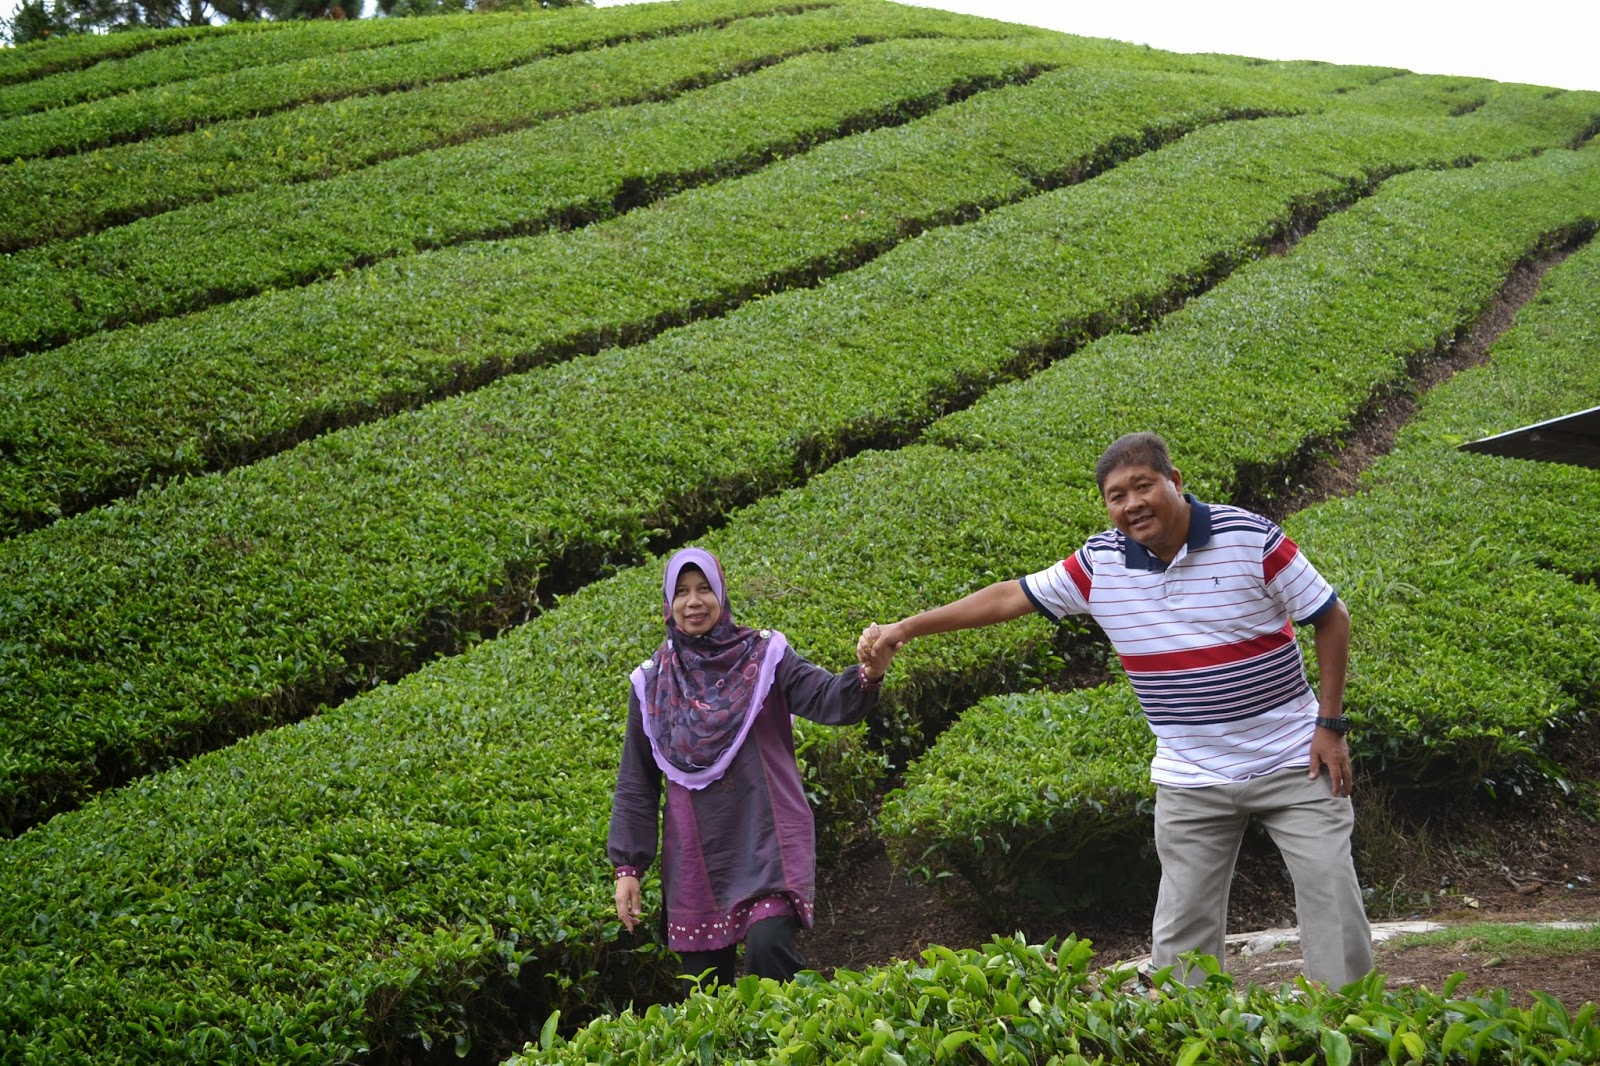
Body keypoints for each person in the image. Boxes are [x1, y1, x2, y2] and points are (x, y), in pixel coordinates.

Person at [859, 432, 1373, 988]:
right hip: (1190, 773)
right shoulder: (1099, 563)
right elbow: (1011, 596)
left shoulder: (1249, 537)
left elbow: (1331, 616)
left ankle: (1348, 1020)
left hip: (1293, 758)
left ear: (1175, 483)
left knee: (1330, 895)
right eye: (1115, 495)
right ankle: (1193, 1032)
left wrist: (1330, 724)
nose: (1131, 504)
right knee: (1182, 930)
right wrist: (906, 629)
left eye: (1143, 486)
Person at [608, 546, 894, 990]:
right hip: (695, 859)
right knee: (703, 993)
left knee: (769, 950)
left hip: (766, 840)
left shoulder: (763, 657)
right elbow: (636, 783)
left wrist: (868, 675)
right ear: (668, 603)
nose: (694, 602)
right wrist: (628, 869)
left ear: (721, 592)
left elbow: (825, 697)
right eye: (681, 592)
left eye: (704, 588)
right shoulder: (651, 684)